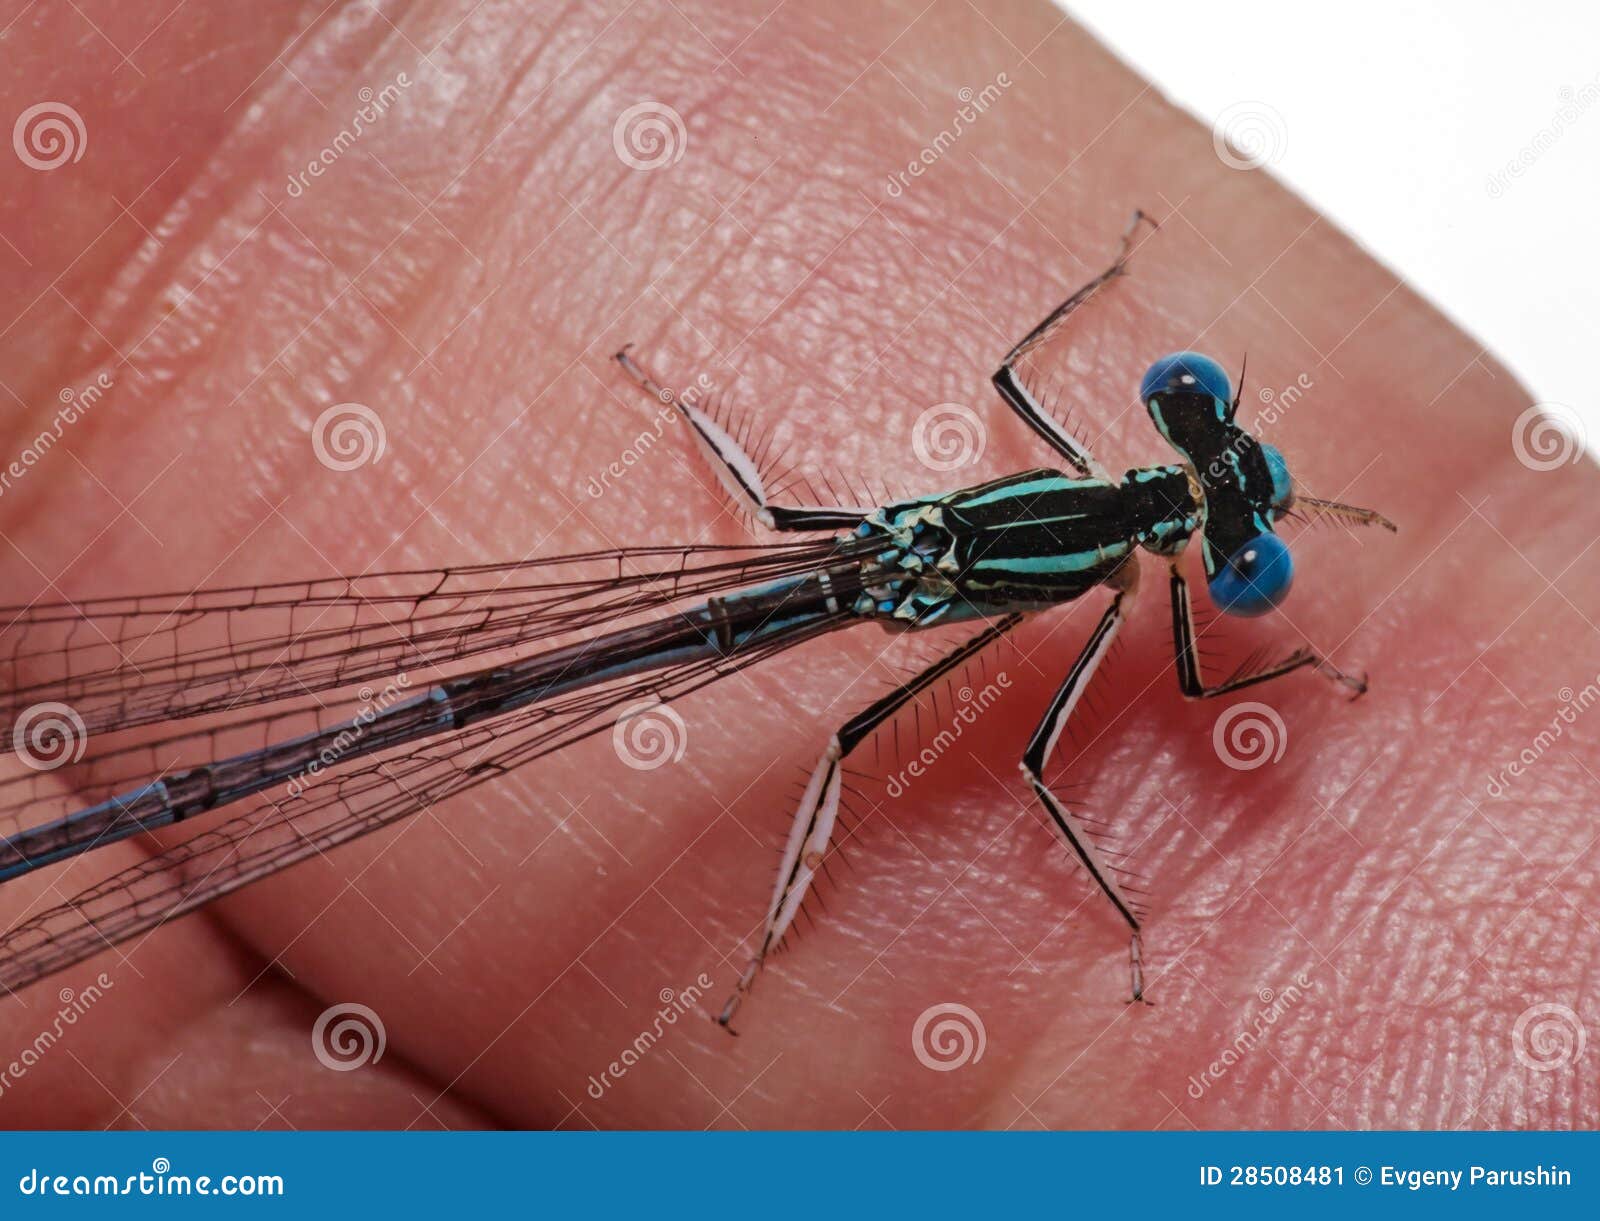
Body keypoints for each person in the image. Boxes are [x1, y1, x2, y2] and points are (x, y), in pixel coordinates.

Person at [0, 0, 1589, 1130]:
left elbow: (997, 405)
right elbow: (1063, 758)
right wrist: (1279, 670)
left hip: (868, 562)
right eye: (1205, 453)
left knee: (788, 719)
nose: (1207, 492)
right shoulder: (1146, 574)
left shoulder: (1104, 513)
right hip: (837, 571)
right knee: (713, 726)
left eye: (1228, 537)